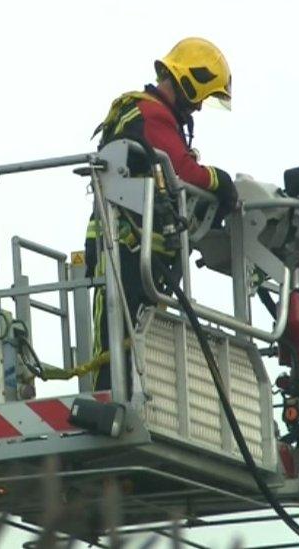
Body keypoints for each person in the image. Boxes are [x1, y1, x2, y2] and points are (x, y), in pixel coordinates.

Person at [86, 37, 238, 392]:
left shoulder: (152, 115)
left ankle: (129, 394)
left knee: (140, 337)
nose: (198, 107)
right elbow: (182, 171)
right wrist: (221, 182)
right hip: (124, 247)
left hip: (138, 249)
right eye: (200, 97)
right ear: (189, 81)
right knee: (118, 339)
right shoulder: (150, 113)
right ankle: (112, 397)